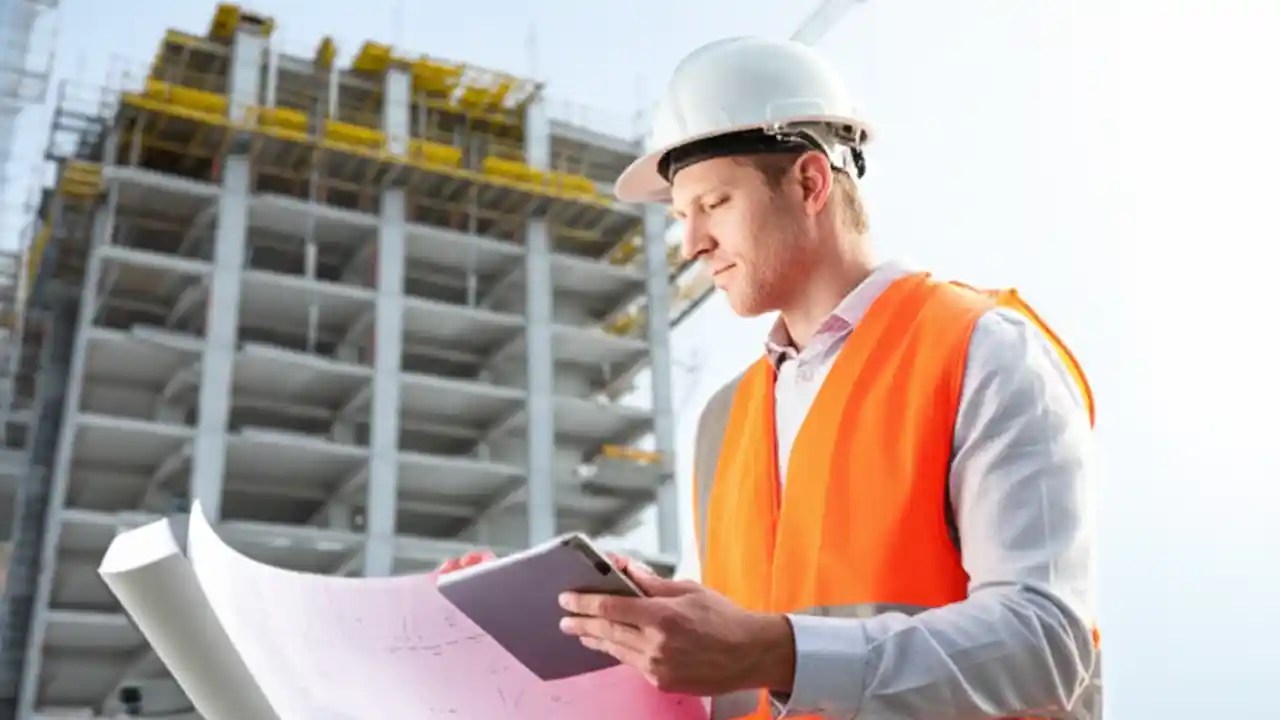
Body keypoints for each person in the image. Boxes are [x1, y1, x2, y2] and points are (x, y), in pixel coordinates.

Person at [442, 36, 1102, 720]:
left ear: (810, 183)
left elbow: (1046, 646)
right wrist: (593, 626)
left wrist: (775, 652)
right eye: (681, 216)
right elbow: (720, 670)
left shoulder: (981, 349)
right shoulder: (724, 419)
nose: (691, 243)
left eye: (715, 203)